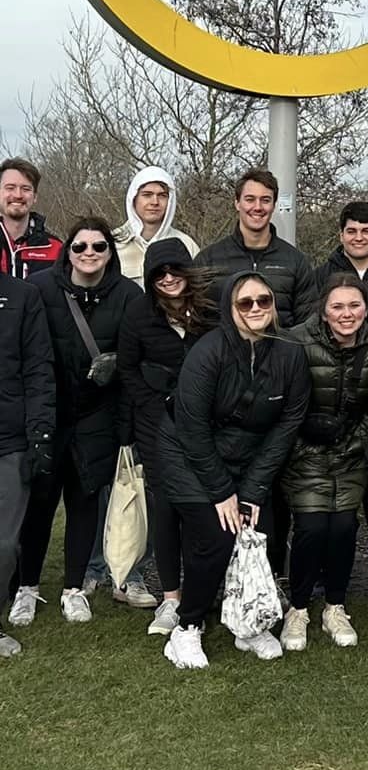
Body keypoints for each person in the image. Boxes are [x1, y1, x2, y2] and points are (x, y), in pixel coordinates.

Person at [153, 271, 310, 668]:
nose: (256, 309)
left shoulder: (290, 354)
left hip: (249, 457)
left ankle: (248, 623)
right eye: (246, 302)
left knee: (259, 531)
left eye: (264, 301)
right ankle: (186, 629)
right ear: (231, 308)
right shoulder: (209, 352)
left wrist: (254, 489)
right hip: (188, 453)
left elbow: (287, 425)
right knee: (217, 533)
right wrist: (223, 491)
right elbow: (191, 427)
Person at [11, 219, 137, 627]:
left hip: (97, 413)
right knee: (40, 505)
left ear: (109, 251)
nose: (89, 253)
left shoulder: (127, 295)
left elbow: (136, 359)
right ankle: (27, 587)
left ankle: (73, 588)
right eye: (80, 246)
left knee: (84, 504)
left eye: (98, 247)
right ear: (68, 250)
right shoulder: (41, 289)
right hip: (49, 410)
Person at [279, 275, 368, 653]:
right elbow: (282, 401)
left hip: (351, 451)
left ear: (365, 307)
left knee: (344, 527)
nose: (347, 314)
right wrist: (304, 442)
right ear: (324, 310)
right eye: (338, 306)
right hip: (303, 451)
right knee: (312, 527)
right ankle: (298, 608)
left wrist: (355, 441)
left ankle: (335, 605)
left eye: (354, 306)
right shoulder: (295, 340)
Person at [117, 239, 216, 637]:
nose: (169, 278)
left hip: (203, 424)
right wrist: (155, 403)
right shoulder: (138, 315)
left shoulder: (210, 312)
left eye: (175, 270)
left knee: (200, 511)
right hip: (156, 424)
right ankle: (171, 598)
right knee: (165, 512)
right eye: (160, 273)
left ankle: (200, 594)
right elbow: (127, 369)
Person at [0, 270, 54, 657]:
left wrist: (40, 433)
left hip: (11, 440)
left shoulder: (23, 296)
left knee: (4, 544)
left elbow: (38, 369)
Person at [194, 169, 317, 329]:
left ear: (274, 205)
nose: (257, 207)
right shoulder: (208, 260)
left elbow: (308, 326)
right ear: (237, 203)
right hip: (224, 353)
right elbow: (197, 324)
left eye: (265, 200)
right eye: (250, 199)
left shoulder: (295, 262)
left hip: (280, 353)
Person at [113, 167, 199, 288]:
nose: (155, 202)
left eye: (162, 195)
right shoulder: (112, 244)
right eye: (147, 195)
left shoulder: (186, 245)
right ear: (134, 198)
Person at [314, 201, 368, 315]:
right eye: (351, 231)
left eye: (366, 231)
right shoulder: (320, 276)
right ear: (341, 236)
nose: (359, 238)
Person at [0, 157, 62, 281]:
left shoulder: (56, 248)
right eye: (10, 188)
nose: (18, 195)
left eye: (26, 189)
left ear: (35, 197)